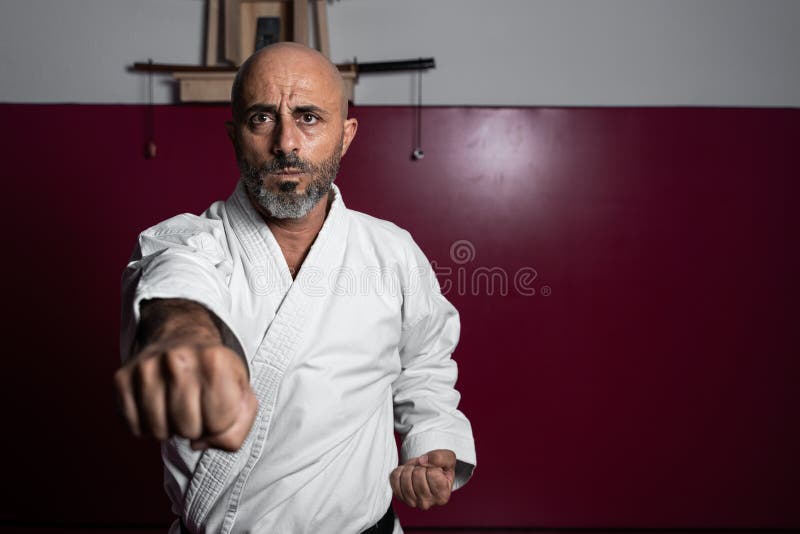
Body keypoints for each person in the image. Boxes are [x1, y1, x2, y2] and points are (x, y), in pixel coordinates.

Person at [113, 42, 476, 534]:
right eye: (262, 118)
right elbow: (173, 289)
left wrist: (432, 440)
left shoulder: (391, 253)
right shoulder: (187, 242)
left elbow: (424, 364)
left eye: (308, 117)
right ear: (235, 136)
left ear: (345, 136)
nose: (286, 142)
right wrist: (185, 335)